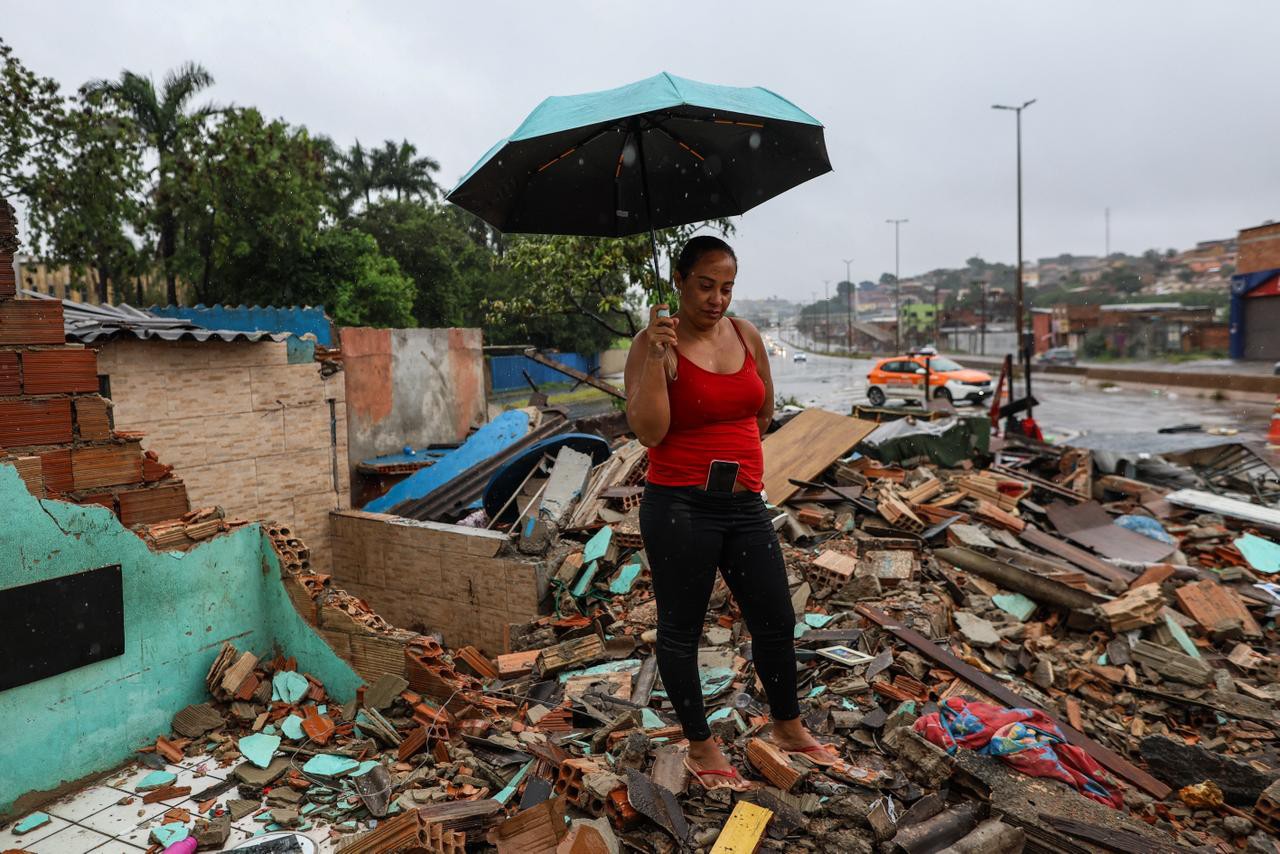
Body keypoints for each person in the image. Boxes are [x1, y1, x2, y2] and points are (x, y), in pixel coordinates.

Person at [624, 235, 839, 791]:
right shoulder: (653, 344)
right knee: (681, 629)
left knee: (776, 619)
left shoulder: (746, 335)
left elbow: (763, 409)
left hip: (744, 501)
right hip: (679, 506)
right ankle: (701, 743)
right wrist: (655, 359)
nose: (717, 298)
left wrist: (735, 454)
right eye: (704, 285)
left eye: (727, 287)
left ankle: (788, 726)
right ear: (678, 280)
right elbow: (648, 432)